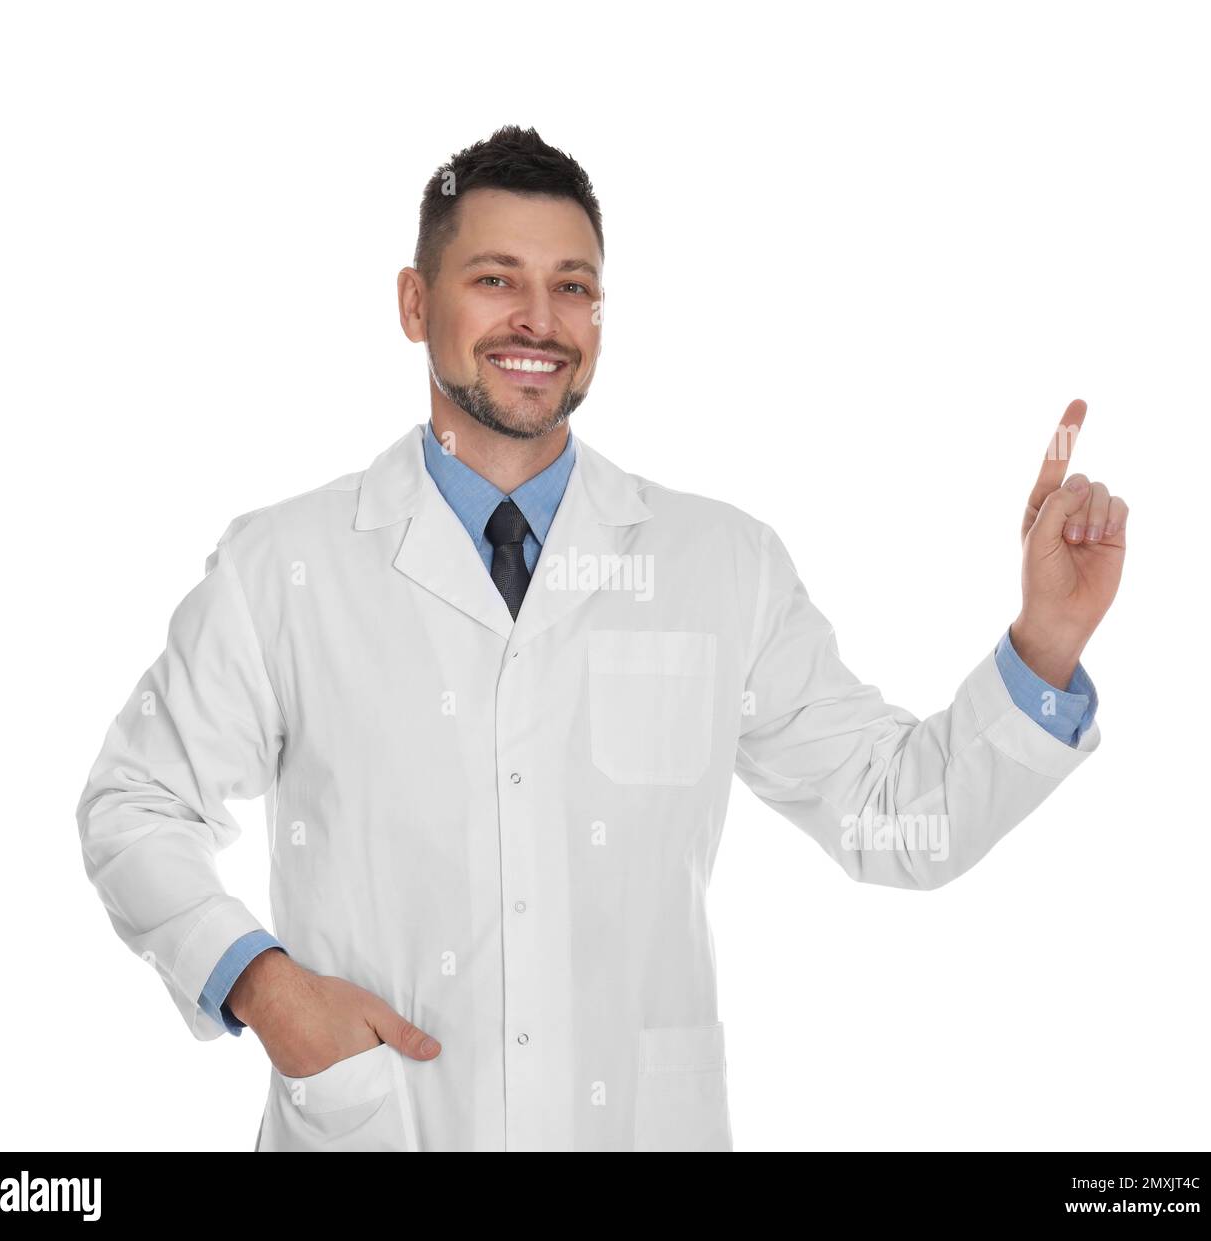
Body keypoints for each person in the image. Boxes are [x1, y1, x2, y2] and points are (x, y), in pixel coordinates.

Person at [75, 125, 1128, 1152]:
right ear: (413, 301)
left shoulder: (721, 563)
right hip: (377, 1121)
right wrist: (262, 982)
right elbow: (135, 802)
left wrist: (1044, 640)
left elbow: (899, 818)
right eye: (495, 279)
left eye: (572, 286)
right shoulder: (284, 566)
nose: (540, 317)